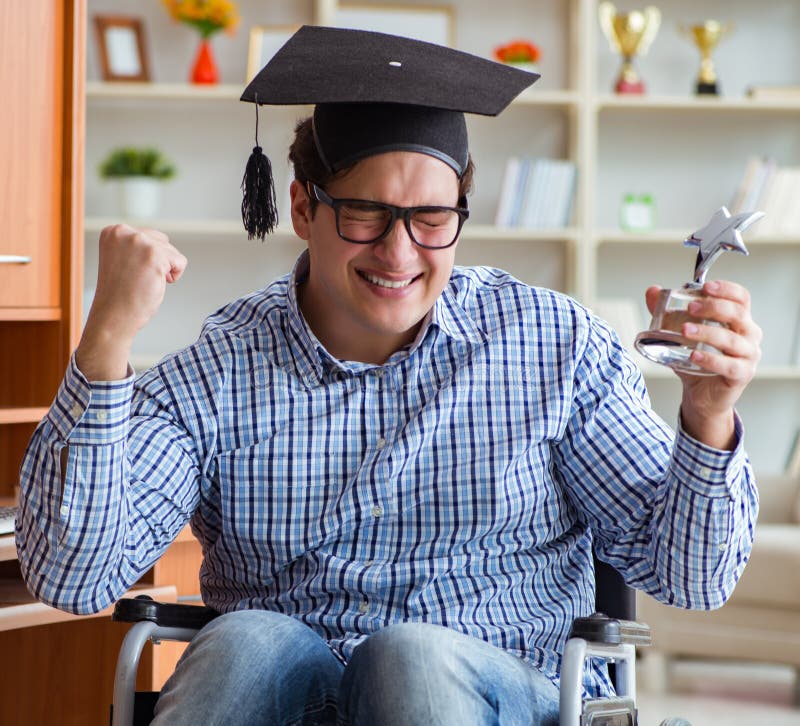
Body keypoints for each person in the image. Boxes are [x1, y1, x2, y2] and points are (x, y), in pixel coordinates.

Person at [16, 26, 760, 726]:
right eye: (367, 215)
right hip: (285, 696)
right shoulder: (221, 370)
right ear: (304, 207)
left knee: (410, 657)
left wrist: (708, 416)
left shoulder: (555, 347)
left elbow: (692, 578)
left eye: (432, 218)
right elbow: (73, 578)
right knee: (247, 643)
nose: (401, 253)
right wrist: (105, 342)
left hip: (498, 691)